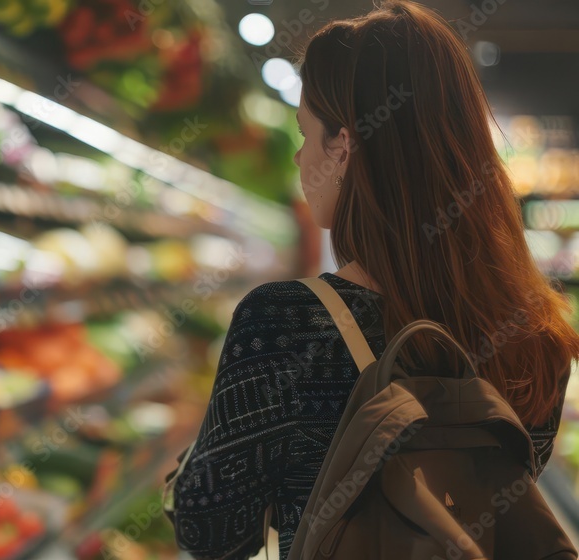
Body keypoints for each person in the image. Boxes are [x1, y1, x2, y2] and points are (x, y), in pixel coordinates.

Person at [166, 2, 579, 558]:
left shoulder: (288, 322)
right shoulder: (534, 334)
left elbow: (213, 536)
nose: (297, 155)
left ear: (343, 145)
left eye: (305, 133)